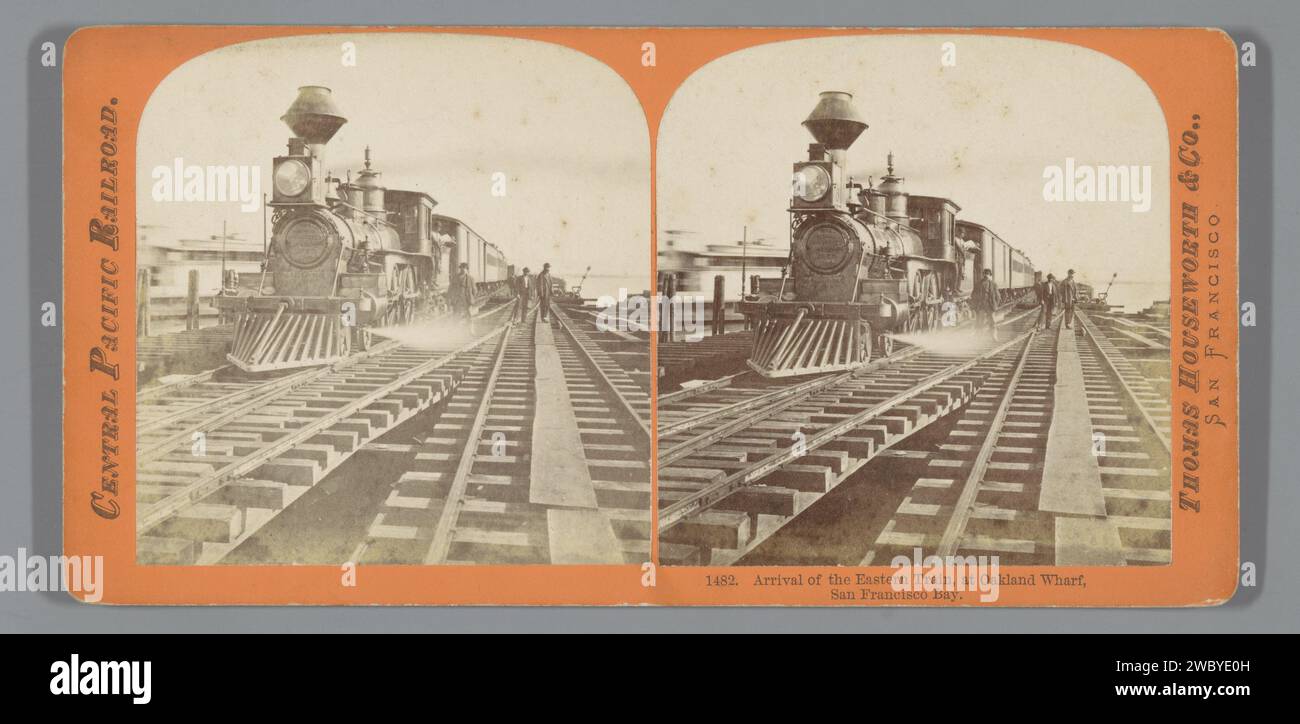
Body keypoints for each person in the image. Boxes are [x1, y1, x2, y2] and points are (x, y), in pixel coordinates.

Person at [973, 268, 998, 340]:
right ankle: (979, 337)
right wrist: (975, 305)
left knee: (992, 322)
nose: (986, 275)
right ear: (983, 274)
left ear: (990, 275)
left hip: (990, 306)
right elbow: (973, 295)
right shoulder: (978, 284)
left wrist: (995, 305)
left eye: (988, 274)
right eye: (985, 274)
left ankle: (994, 336)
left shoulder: (993, 284)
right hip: (981, 306)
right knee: (980, 322)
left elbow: (997, 296)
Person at [451, 262, 475, 331]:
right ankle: (456, 330)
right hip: (457, 299)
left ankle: (471, 330)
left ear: (467, 269)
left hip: (467, 299)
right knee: (456, 314)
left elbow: (474, 290)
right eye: (461, 268)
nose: (463, 269)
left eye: (464, 268)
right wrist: (451, 298)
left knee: (469, 315)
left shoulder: (470, 278)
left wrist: (471, 298)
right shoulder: (455, 278)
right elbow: (451, 289)